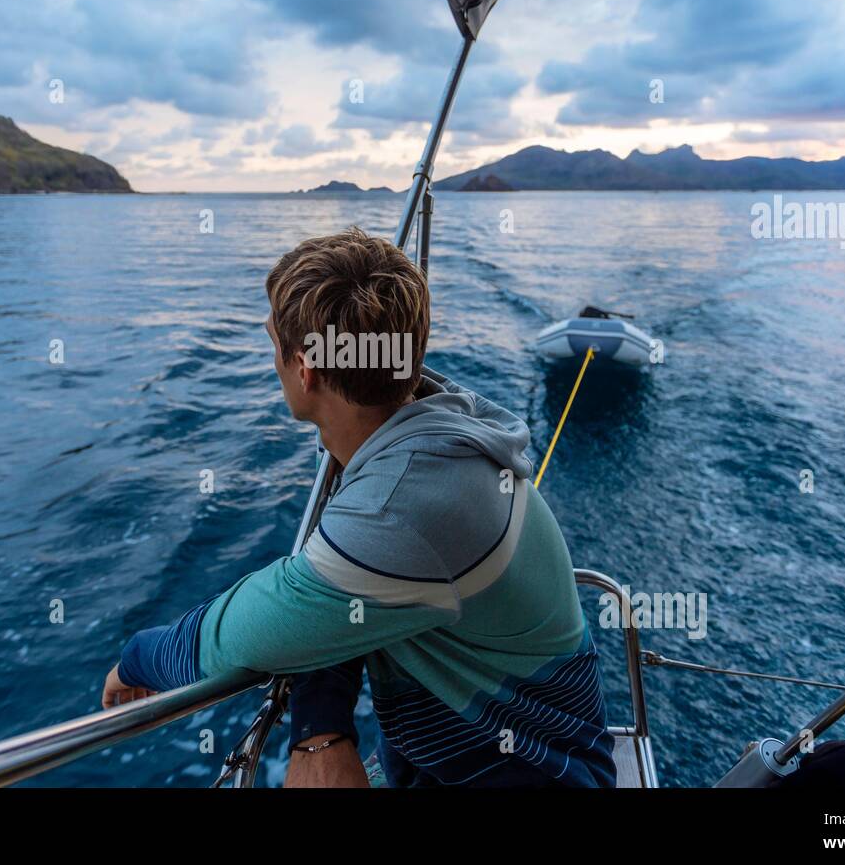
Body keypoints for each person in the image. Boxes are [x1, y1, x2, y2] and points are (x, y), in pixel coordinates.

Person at [101, 227, 615, 788]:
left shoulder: (402, 506)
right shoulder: (425, 426)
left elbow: (241, 634)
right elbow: (335, 598)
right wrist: (321, 726)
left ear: (305, 370)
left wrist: (133, 659)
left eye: (274, 341)